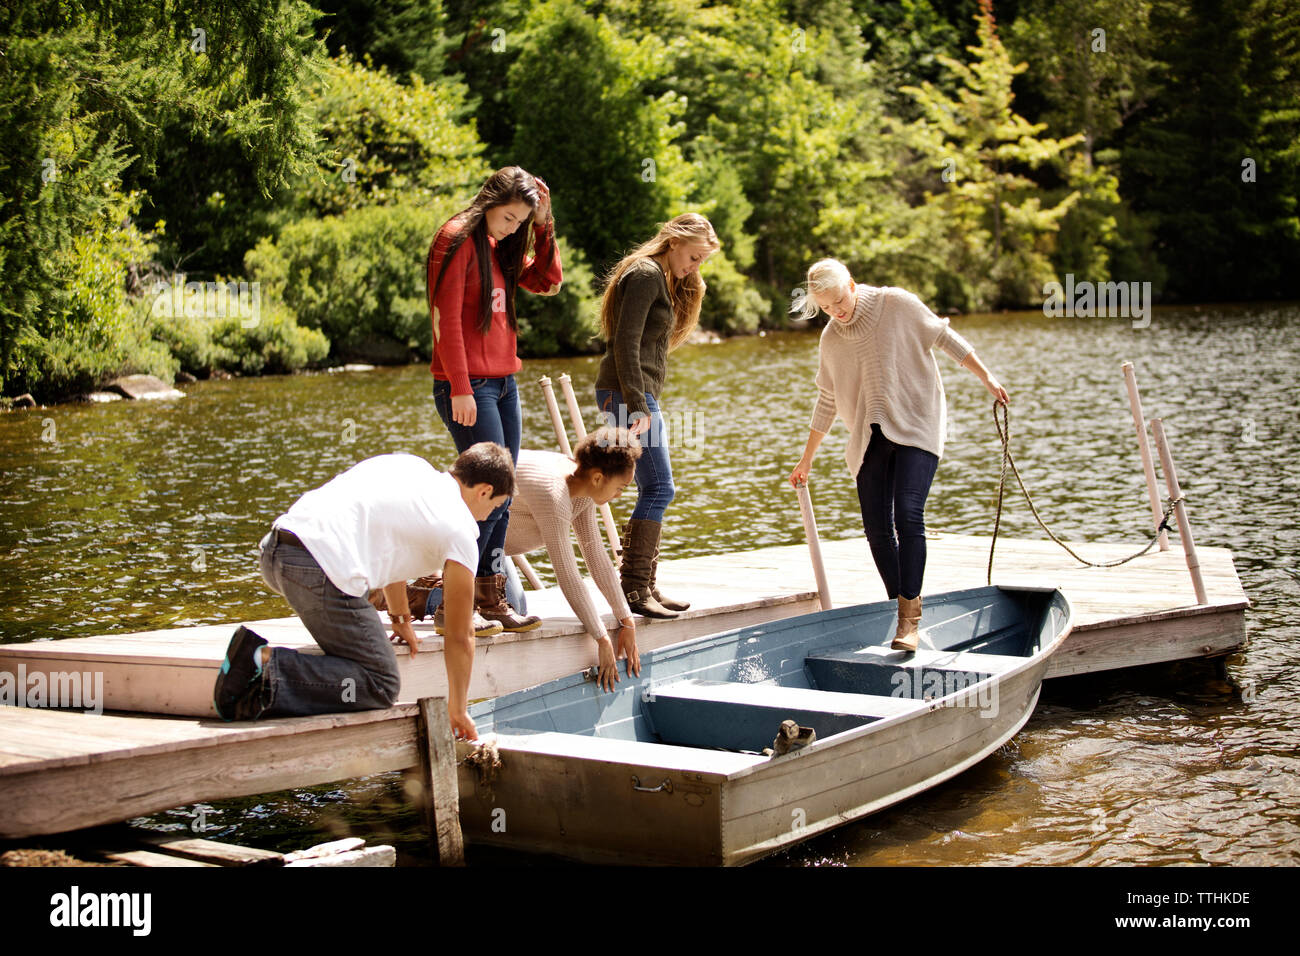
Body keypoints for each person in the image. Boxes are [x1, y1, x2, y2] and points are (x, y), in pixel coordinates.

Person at [212, 442, 515, 740]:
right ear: (484, 490)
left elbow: (388, 542)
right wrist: (459, 708)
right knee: (381, 682)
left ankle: (261, 663)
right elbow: (461, 634)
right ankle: (263, 663)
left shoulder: (410, 466)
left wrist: (400, 617)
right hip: (317, 568)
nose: (487, 516)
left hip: (275, 550)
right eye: (494, 506)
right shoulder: (460, 530)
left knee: (360, 659)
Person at [788, 259, 1009, 653]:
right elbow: (827, 398)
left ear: (852, 285)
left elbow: (943, 336)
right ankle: (902, 605)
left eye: (839, 301)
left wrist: (986, 376)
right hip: (868, 435)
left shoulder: (897, 304)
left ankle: (909, 620)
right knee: (876, 527)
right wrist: (807, 459)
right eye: (826, 308)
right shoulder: (831, 339)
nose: (836, 312)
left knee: (908, 513)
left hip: (916, 422)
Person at [378, 427, 644, 694]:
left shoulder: (583, 486)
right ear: (598, 478)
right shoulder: (554, 493)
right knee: (512, 605)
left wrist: (626, 620)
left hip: (494, 547)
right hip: (465, 538)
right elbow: (567, 573)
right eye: (620, 488)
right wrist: (601, 639)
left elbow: (596, 556)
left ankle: (431, 586)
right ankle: (410, 595)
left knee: (514, 605)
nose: (620, 495)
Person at [426, 165, 562, 634]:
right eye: (508, 218)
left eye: (518, 222)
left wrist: (543, 225)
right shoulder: (457, 238)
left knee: (501, 497)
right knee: (483, 495)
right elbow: (446, 319)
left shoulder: (499, 245)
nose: (511, 228)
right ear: (490, 202)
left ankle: (489, 598)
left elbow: (548, 281)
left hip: (504, 383)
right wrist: (459, 385)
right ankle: (450, 606)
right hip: (469, 386)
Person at [593, 213, 719, 619]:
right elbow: (625, 343)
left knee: (654, 487)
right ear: (674, 241)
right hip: (628, 395)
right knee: (660, 487)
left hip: (631, 394)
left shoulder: (658, 276)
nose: (694, 266)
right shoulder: (647, 273)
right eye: (694, 257)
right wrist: (638, 402)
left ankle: (642, 583)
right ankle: (634, 588)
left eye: (701, 261)